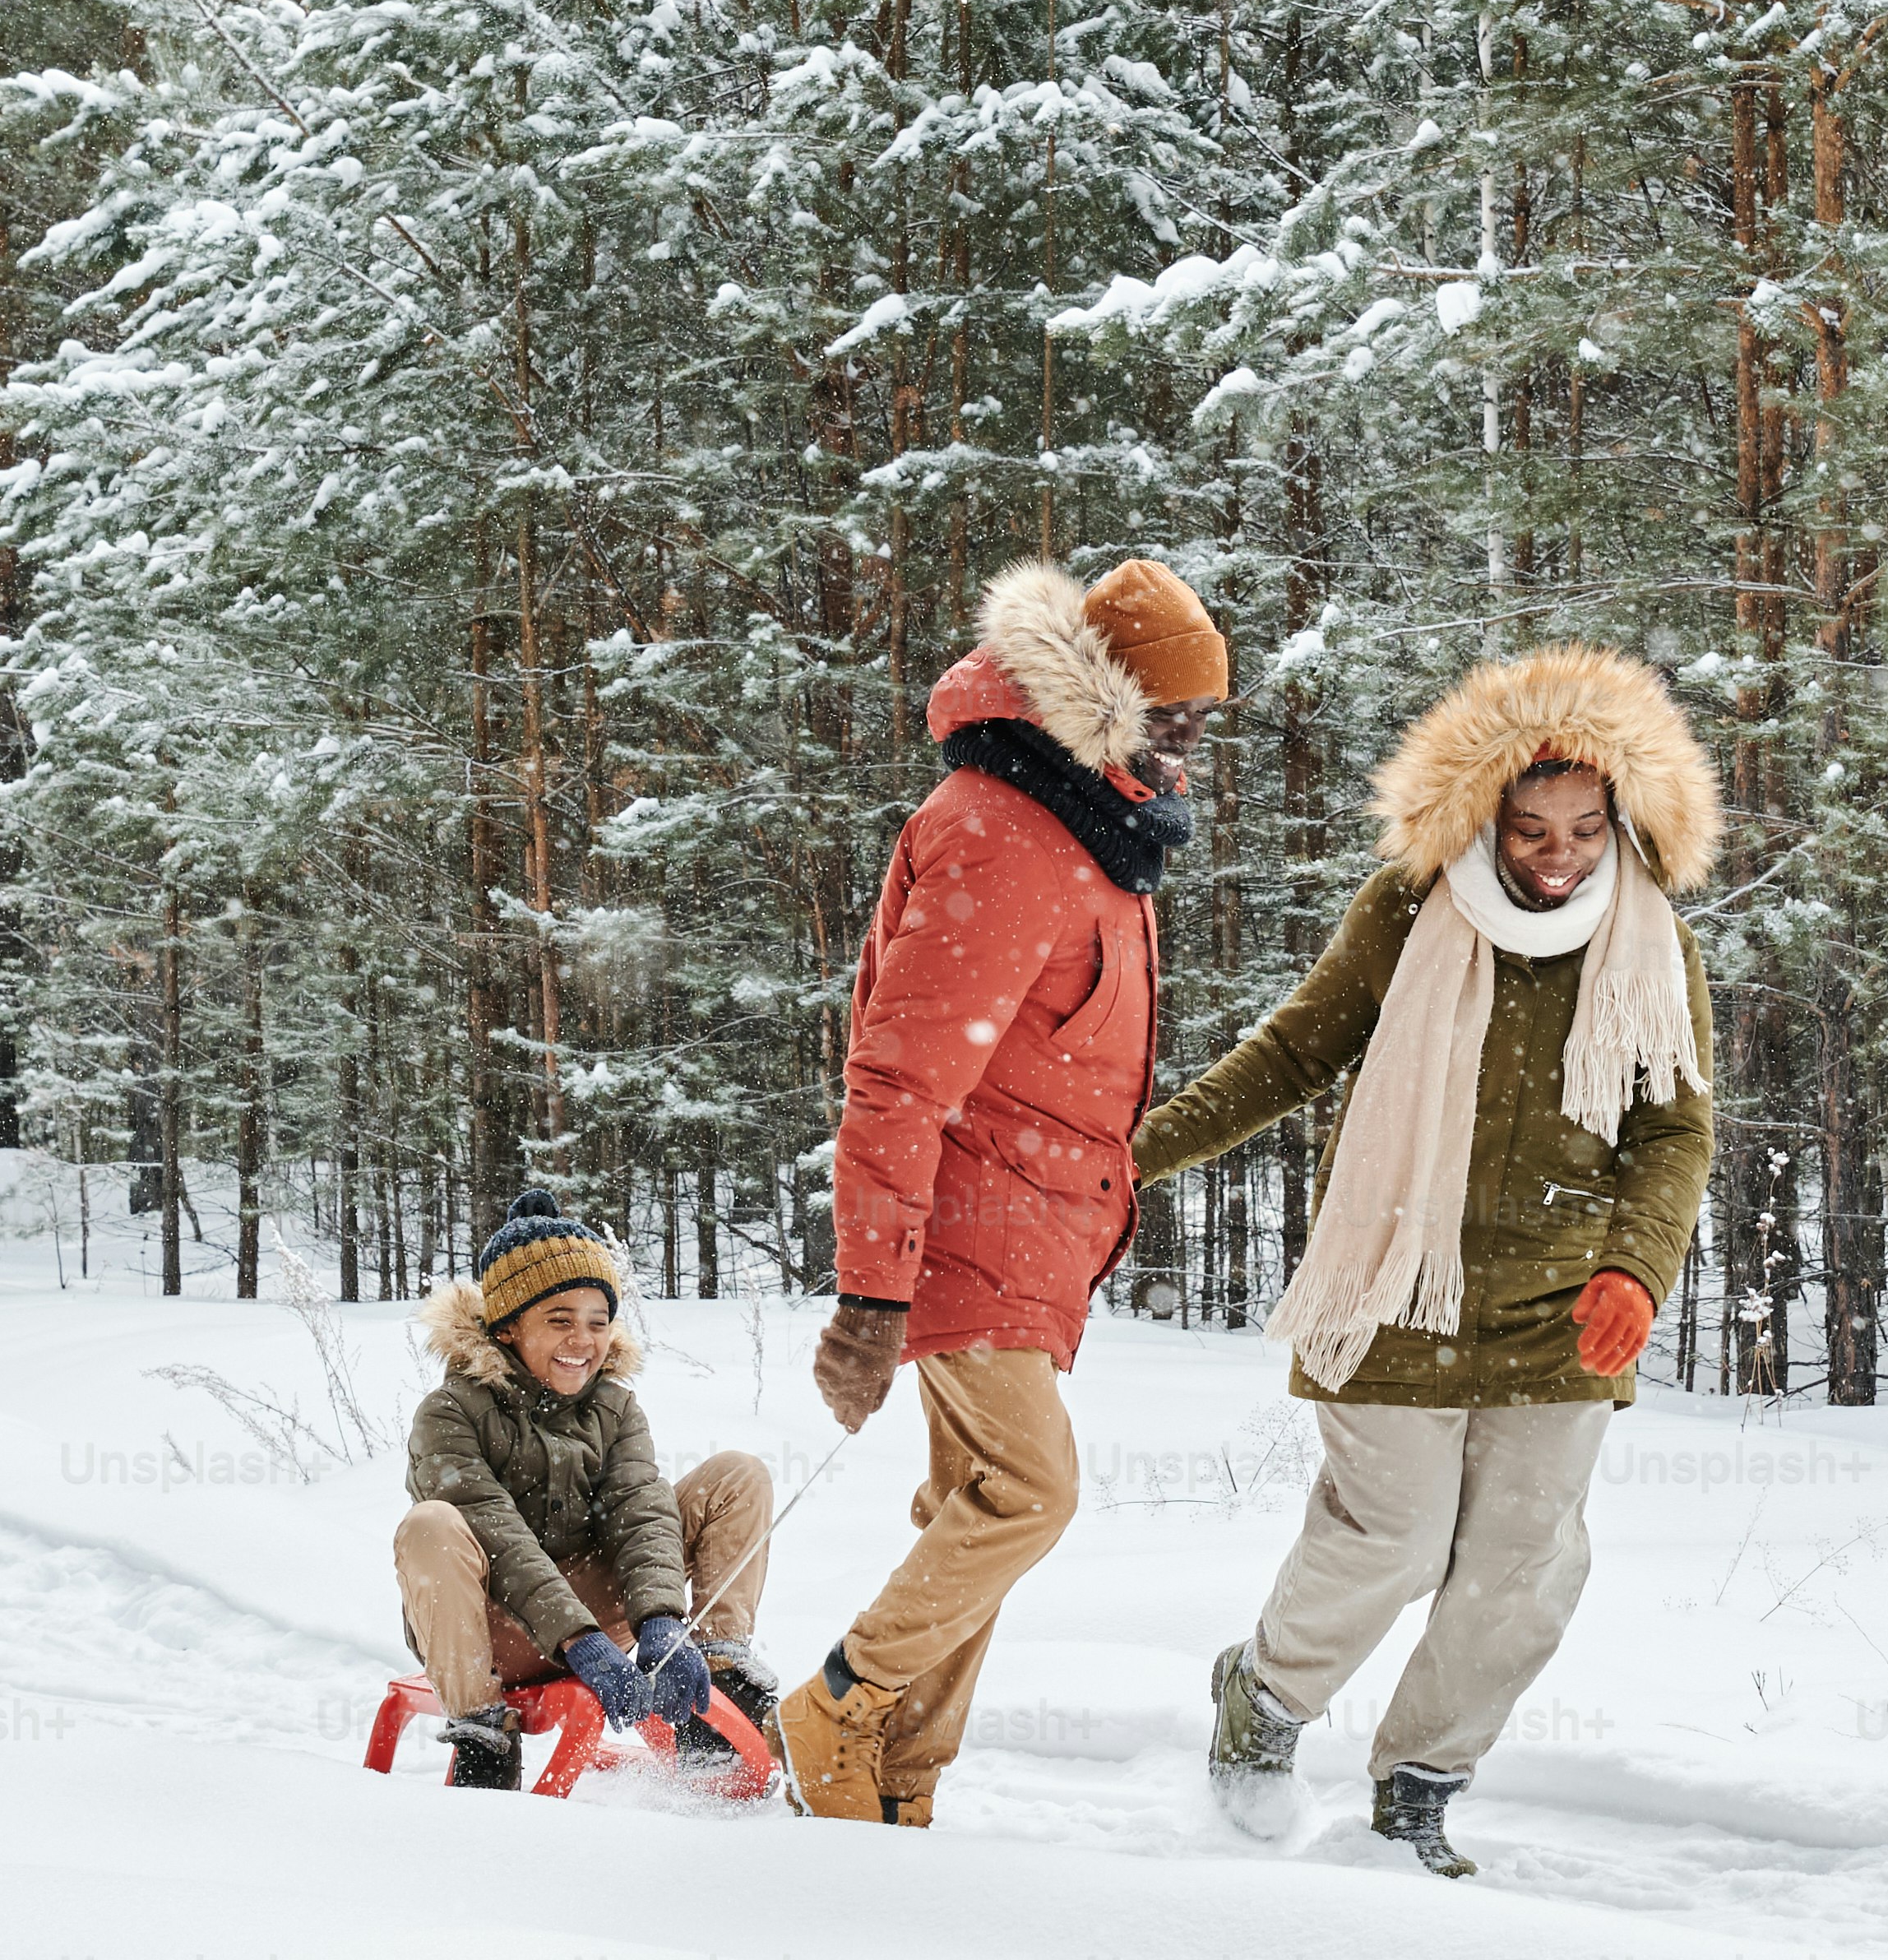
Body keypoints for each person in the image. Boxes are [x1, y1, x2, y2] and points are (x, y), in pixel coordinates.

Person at [1131, 646, 1716, 1876]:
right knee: (1385, 1542)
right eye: (1529, 829)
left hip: (1565, 1305)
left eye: (1583, 828)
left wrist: (1637, 1269)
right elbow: (1296, 1054)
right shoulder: (1410, 908)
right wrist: (1134, 1156)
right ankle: (1269, 1698)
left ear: (1622, 819)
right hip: (1402, 1282)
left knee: (1521, 1569)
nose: (1556, 856)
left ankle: (1420, 1789)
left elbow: (1674, 1127)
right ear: (1484, 817)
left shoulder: (1654, 941)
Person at [779, 556, 1232, 1826]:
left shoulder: (1088, 821)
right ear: (1106, 700)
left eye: (1207, 716)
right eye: (1179, 713)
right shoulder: (1002, 826)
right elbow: (897, 1077)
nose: (1196, 741)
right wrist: (870, 1295)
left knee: (967, 1508)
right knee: (1029, 1494)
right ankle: (836, 1706)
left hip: (1031, 1222)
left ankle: (898, 1781)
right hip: (968, 1219)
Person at [394, 1190, 775, 1787]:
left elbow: (642, 1512)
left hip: (600, 1617)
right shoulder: (449, 1413)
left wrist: (660, 1619)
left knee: (737, 1475)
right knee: (431, 1525)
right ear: (508, 1328)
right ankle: (483, 1736)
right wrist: (578, 1639)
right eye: (559, 1320)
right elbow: (498, 1535)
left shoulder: (615, 1409)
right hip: (493, 1634)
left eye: (598, 1322)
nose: (584, 1341)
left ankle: (715, 1688)